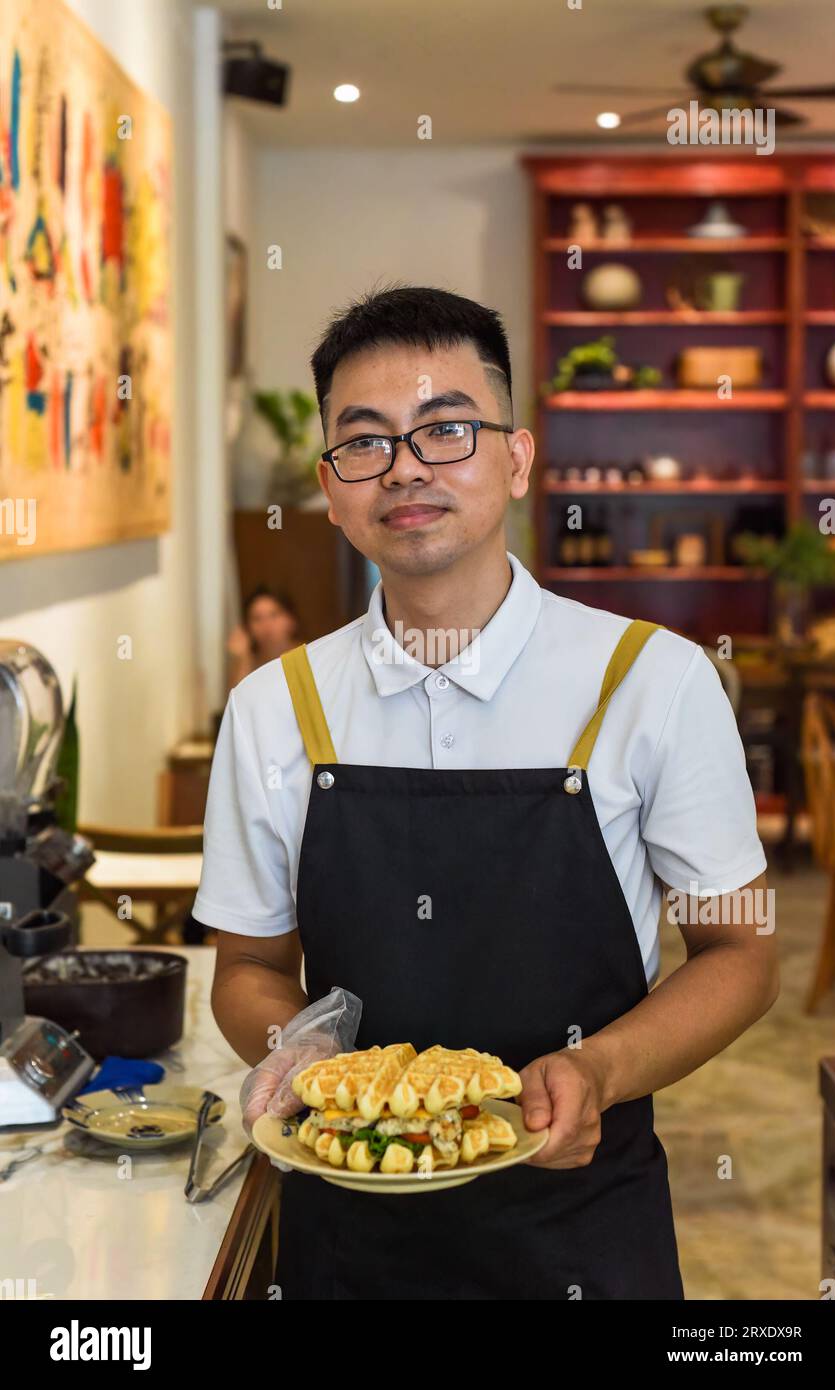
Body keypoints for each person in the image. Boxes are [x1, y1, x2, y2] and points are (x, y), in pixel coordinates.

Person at [192, 284, 778, 1300]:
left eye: (446, 429)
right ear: (331, 488)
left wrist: (598, 1070)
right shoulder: (271, 707)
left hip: (584, 1225)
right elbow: (245, 966)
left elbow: (742, 953)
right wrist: (307, 1055)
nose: (406, 467)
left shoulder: (652, 679)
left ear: (515, 457)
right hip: (346, 1231)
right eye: (365, 441)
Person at [226, 585, 300, 691]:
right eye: (257, 619)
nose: (266, 625)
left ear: (291, 620)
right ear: (247, 627)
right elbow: (238, 702)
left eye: (274, 615)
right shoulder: (248, 664)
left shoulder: (310, 655)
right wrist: (243, 658)